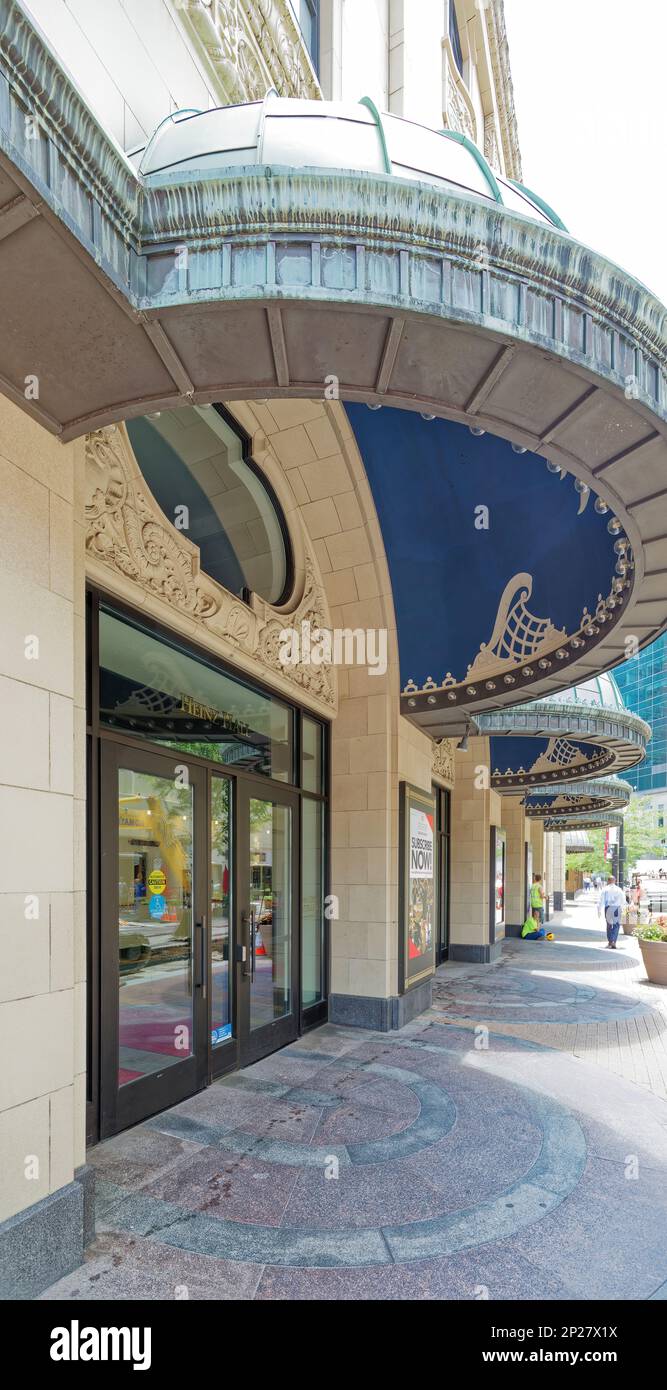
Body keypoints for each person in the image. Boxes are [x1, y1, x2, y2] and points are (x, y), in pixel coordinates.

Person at [598, 874, 626, 949]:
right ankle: (614, 941)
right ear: (615, 881)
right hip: (617, 908)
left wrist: (599, 909)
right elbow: (623, 900)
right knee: (616, 925)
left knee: (609, 925)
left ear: (608, 881)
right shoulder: (619, 889)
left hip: (608, 908)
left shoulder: (605, 889)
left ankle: (610, 942)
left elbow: (601, 900)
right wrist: (623, 909)